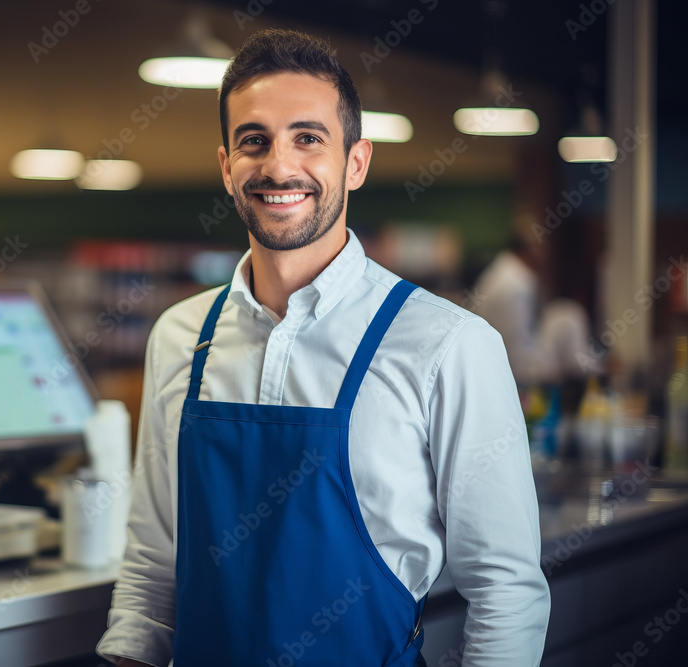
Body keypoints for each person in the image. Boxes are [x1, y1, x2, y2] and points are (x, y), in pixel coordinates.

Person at [96, 29, 549, 666]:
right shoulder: (179, 338)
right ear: (227, 167)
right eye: (254, 141)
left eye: (308, 138)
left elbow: (505, 590)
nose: (279, 167)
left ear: (355, 162)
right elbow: (150, 575)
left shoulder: (448, 344)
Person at [471, 231, 601, 385]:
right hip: (509, 369)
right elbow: (518, 348)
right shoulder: (517, 283)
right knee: (569, 316)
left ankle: (592, 369)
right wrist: (546, 375)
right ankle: (593, 372)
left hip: (491, 361)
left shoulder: (500, 272)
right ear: (530, 249)